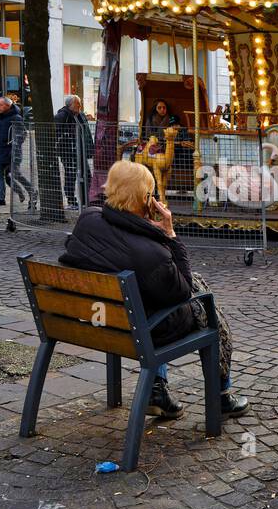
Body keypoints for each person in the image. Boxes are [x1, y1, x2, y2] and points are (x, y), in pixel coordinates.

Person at [61, 159, 249, 420]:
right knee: (206, 306)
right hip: (141, 327)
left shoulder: (87, 220)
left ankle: (158, 388)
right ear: (147, 199)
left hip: (99, 319)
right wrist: (169, 235)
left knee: (154, 292)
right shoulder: (150, 253)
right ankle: (221, 394)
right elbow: (181, 291)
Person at [55, 94, 90, 209]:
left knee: (87, 175)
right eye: (77, 103)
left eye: (80, 103)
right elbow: (57, 134)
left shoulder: (80, 115)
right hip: (68, 151)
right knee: (70, 175)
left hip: (81, 151)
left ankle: (87, 199)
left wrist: (89, 148)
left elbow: (86, 132)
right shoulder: (62, 115)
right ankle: (71, 200)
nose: (80, 105)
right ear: (70, 105)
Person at [0, 96, 32, 204]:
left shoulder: (16, 117)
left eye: (0, 105)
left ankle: (32, 191)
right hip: (1, 151)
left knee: (15, 174)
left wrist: (14, 145)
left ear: (8, 106)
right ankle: (1, 197)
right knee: (0, 173)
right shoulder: (0, 117)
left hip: (13, 152)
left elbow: (23, 134)